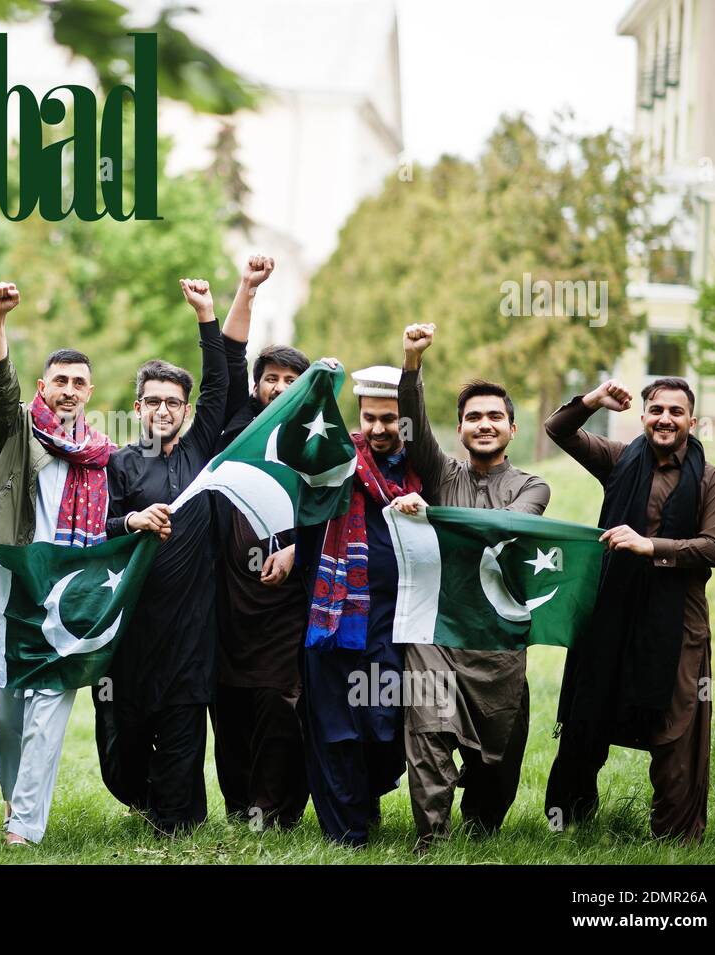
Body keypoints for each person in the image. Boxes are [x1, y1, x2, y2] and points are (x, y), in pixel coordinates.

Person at [543, 377, 715, 843]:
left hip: (678, 620)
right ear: (643, 415)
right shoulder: (619, 458)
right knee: (590, 709)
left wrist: (650, 546)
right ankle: (567, 821)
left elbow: (714, 548)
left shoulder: (712, 481)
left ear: (691, 419)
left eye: (675, 411)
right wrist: (591, 400)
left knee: (677, 724)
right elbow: (558, 430)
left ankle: (677, 833)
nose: (664, 418)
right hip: (612, 610)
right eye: (655, 409)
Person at [0, 281, 116, 846]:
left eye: (80, 383)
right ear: (43, 387)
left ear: (90, 391)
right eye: (60, 382)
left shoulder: (104, 456)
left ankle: (24, 826)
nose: (70, 391)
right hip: (14, 589)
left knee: (47, 715)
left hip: (70, 597)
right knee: (6, 714)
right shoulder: (19, 432)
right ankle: (14, 802)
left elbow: (117, 522)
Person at [394, 322, 550, 852]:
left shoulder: (532, 486)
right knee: (428, 726)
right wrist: (412, 361)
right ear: (459, 429)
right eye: (473, 417)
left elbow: (507, 528)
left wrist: (432, 513)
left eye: (494, 417)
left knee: (497, 752)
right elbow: (411, 425)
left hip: (499, 638)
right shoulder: (439, 473)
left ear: (511, 427)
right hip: (437, 625)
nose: (484, 425)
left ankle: (481, 824)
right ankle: (431, 838)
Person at [95, 276, 228, 836]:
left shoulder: (201, 450)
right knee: (122, 738)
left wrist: (207, 316)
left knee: (182, 725)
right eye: (154, 401)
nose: (164, 409)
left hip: (193, 624)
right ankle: (142, 796)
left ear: (186, 408)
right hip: (130, 625)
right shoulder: (118, 464)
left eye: (175, 402)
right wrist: (132, 520)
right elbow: (95, 530)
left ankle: (176, 822)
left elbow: (221, 386)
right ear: (138, 406)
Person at [296, 363, 421, 847]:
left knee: (383, 726)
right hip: (335, 620)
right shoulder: (338, 456)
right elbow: (295, 445)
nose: (378, 428)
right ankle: (345, 830)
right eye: (369, 417)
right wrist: (317, 385)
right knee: (336, 726)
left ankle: (366, 799)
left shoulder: (420, 471)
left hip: (396, 623)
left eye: (389, 419)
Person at [209, 255, 311, 830]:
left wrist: (296, 545)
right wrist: (246, 289)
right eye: (270, 378)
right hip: (226, 597)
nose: (278, 387)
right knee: (229, 704)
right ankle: (236, 802)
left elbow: (328, 509)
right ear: (257, 387)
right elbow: (227, 355)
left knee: (278, 702)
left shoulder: (314, 442)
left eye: (290, 381)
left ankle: (275, 809)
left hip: (286, 602)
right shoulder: (234, 425)